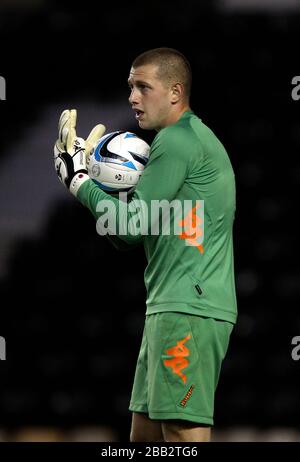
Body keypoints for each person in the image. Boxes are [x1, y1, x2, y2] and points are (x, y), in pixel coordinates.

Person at [53, 47, 237, 442]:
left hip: (187, 308)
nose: (133, 97)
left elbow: (130, 226)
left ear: (175, 92)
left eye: (143, 87)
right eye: (130, 87)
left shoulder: (177, 142)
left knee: (183, 435)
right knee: (145, 435)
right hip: (172, 306)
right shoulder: (187, 142)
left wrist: (80, 181)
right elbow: (125, 235)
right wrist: (102, 182)